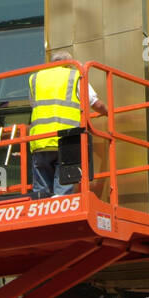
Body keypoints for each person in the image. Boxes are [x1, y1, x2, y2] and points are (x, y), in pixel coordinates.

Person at [27, 50, 107, 199]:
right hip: (67, 140)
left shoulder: (35, 78)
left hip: (40, 141)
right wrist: (110, 112)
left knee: (41, 196)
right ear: (69, 63)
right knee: (62, 195)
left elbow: (34, 105)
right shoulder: (75, 75)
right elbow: (96, 104)